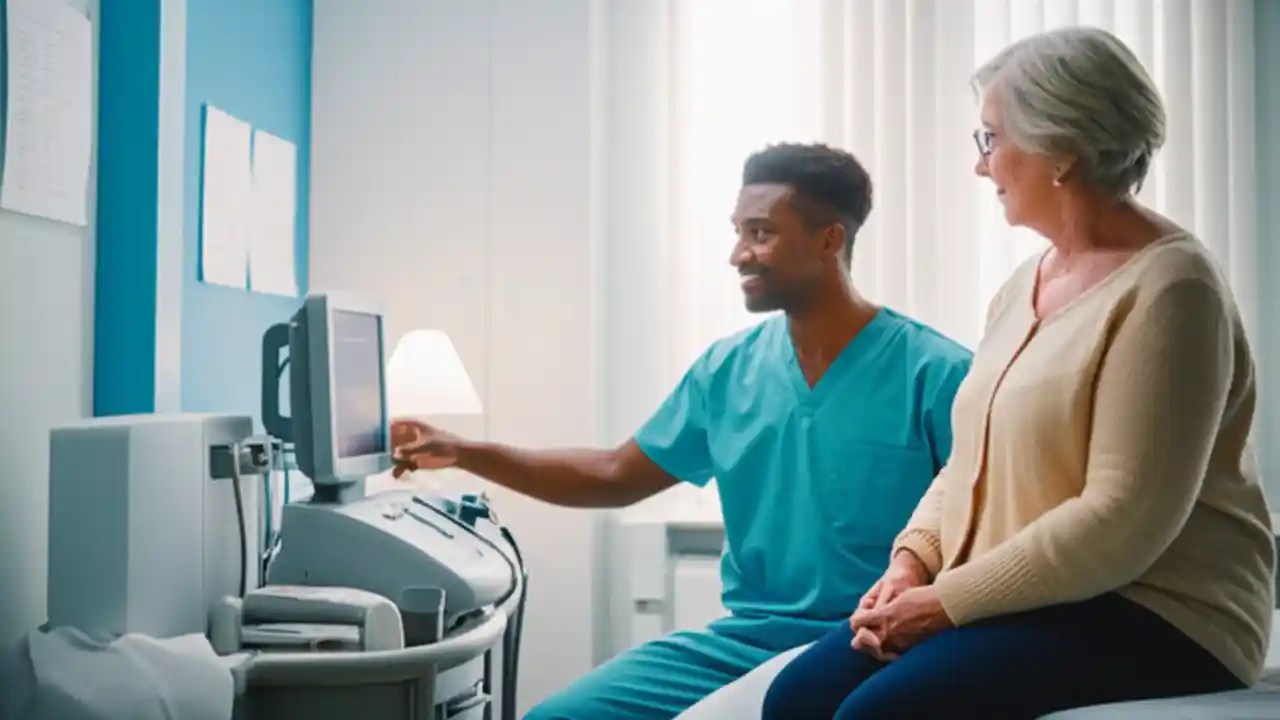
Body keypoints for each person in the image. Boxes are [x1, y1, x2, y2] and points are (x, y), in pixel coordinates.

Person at [761, 26, 1277, 720]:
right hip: (1042, 594)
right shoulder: (1021, 286)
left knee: (876, 716)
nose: (982, 166)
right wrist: (912, 563)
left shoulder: (1174, 290)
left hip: (1161, 610)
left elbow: (1120, 519)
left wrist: (945, 604)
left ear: (1059, 148)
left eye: (991, 139)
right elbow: (968, 459)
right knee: (795, 699)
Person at [390, 142, 973, 719]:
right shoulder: (727, 371)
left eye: (761, 233)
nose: (738, 254)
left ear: (829, 240)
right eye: (738, 231)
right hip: (745, 643)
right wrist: (465, 452)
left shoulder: (937, 373)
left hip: (878, 643)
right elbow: (613, 475)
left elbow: (988, 533)